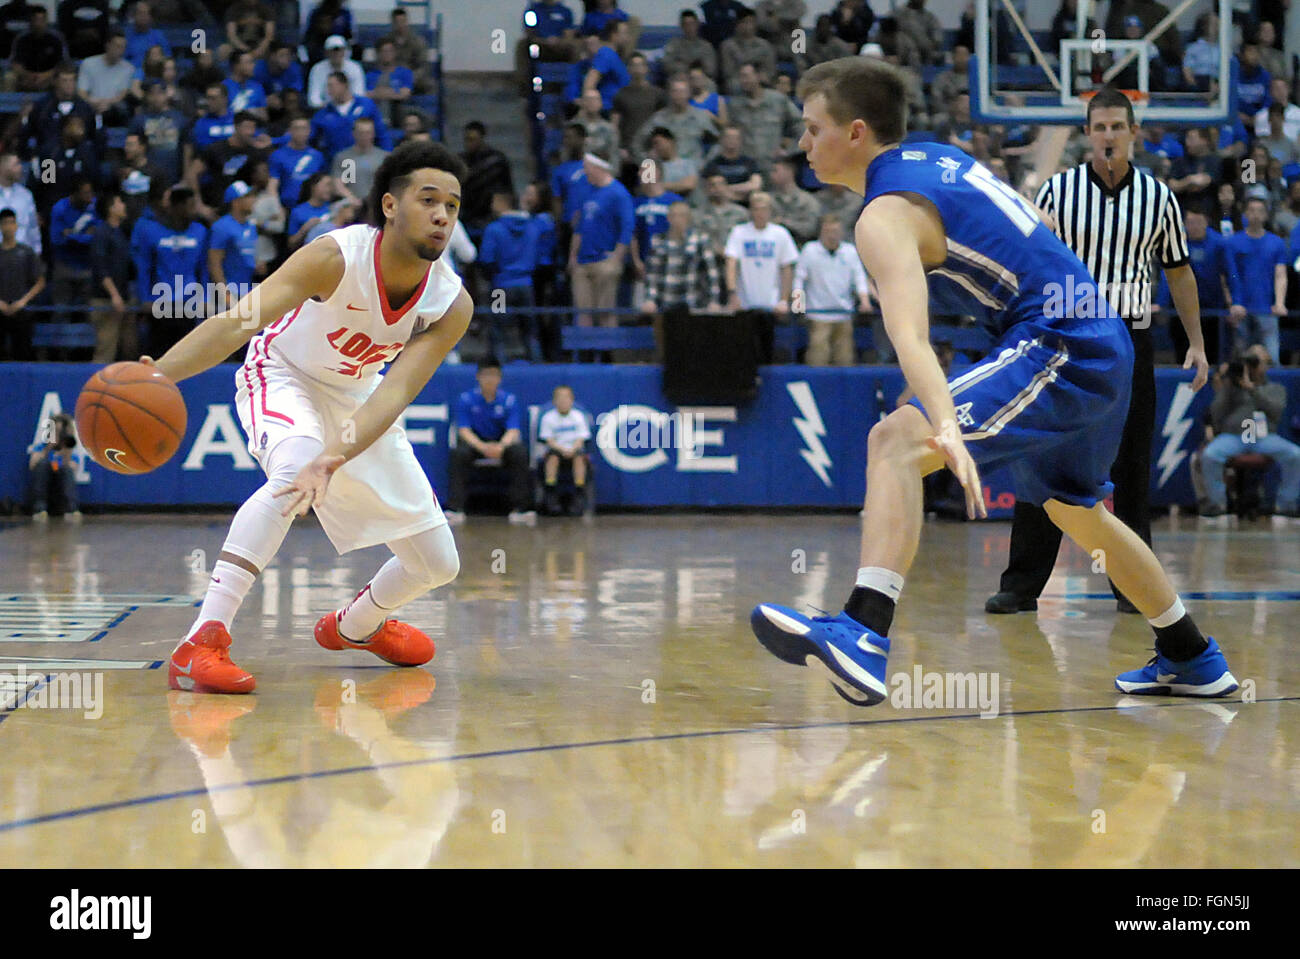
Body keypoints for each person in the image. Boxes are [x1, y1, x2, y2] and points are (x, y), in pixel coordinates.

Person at [750, 57, 1237, 705]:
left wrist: (943, 424)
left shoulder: (881, 215)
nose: (803, 144)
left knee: (894, 440)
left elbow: (911, 336)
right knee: (1077, 512)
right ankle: (1191, 654)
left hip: (1061, 338)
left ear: (857, 132)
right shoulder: (933, 157)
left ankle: (864, 629)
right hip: (1097, 332)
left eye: (813, 129)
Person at [141, 139, 472, 694]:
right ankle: (200, 641)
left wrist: (335, 454)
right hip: (283, 371)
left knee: (438, 563)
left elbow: (393, 396)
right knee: (295, 478)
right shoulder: (333, 257)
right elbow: (236, 323)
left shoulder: (450, 304)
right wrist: (159, 376)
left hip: (358, 396)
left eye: (453, 206)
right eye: (429, 199)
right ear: (390, 205)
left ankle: (356, 627)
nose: (442, 215)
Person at [986, 86, 1209, 617]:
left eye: (1118, 127)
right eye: (1100, 127)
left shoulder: (1159, 197)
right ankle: (1021, 585)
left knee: (1131, 468)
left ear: (1134, 133)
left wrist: (1197, 342)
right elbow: (1031, 266)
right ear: (1087, 135)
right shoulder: (1058, 192)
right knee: (1043, 457)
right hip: (1068, 337)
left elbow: (1179, 272)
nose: (1109, 135)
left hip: (1131, 341)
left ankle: (1133, 587)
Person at [1198, 345, 1300, 518]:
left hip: (1264, 438)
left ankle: (1286, 505)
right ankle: (1218, 505)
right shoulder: (1231, 388)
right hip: (1234, 437)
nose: (1251, 366)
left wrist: (1252, 389)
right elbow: (1216, 414)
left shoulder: (1275, 388)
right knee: (1210, 455)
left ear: (1265, 365)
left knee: (1295, 455)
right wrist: (1226, 385)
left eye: (1256, 361)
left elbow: (1275, 412)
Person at [445, 359, 534, 526]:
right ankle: (456, 509)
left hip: (501, 443)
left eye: (494, 375)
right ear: (478, 377)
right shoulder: (466, 400)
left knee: (520, 453)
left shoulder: (509, 400)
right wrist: (483, 447)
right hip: (476, 443)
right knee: (458, 454)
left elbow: (513, 430)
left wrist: (501, 446)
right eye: (486, 375)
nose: (490, 380)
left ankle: (520, 509)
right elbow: (464, 430)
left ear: (500, 378)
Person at [724, 192, 798, 362]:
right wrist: (732, 293)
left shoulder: (780, 234)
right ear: (751, 211)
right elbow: (731, 263)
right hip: (745, 302)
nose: (760, 213)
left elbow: (787, 268)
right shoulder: (739, 232)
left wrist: (784, 299)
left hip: (771, 304)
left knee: (767, 350)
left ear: (770, 211)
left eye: (764, 209)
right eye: (756, 209)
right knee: (743, 351)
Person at [793, 213, 870, 366]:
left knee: (845, 358)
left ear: (841, 232)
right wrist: (798, 303)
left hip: (844, 313)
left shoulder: (849, 251)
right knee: (818, 356)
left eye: (835, 231)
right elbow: (799, 278)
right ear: (821, 232)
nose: (831, 235)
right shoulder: (810, 250)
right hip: (818, 314)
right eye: (828, 231)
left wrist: (865, 301)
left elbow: (859, 279)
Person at [568, 151, 632, 330]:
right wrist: (572, 256)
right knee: (582, 313)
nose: (585, 171)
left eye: (587, 167)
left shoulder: (618, 193)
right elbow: (580, 227)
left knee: (606, 312)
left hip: (605, 260)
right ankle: (585, 356)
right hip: (583, 262)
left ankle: (610, 356)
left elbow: (627, 228)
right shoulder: (587, 192)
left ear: (598, 168)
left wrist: (616, 258)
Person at [478, 190, 540, 361]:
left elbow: (486, 258)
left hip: (501, 287)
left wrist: (493, 275)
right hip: (526, 286)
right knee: (529, 329)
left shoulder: (494, 229)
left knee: (498, 327)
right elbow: (538, 255)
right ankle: (536, 363)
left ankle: (498, 364)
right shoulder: (532, 227)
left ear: (502, 203)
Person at [1225, 195, 1288, 364]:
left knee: (1272, 358)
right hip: (1241, 309)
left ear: (1266, 215)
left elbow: (1280, 274)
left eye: (1260, 211)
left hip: (1267, 309)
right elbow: (1230, 275)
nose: (1256, 215)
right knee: (1240, 360)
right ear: (1245, 214)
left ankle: (1273, 389)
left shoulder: (1277, 243)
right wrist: (1233, 303)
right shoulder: (1233, 243)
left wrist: (1280, 302)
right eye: (1251, 210)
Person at [88, 191, 134, 363]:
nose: (124, 205)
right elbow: (101, 268)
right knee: (106, 348)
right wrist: (114, 295)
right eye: (119, 202)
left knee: (129, 347)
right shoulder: (101, 234)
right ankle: (96, 388)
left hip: (124, 298)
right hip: (105, 300)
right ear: (110, 209)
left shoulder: (121, 233)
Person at [538, 384, 591, 516]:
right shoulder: (548, 417)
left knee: (579, 458)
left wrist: (573, 449)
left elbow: (581, 438)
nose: (563, 401)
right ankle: (551, 492)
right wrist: (562, 449)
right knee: (552, 458)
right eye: (559, 398)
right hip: (556, 449)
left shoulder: (578, 416)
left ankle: (579, 492)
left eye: (566, 398)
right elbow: (549, 440)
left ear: (572, 400)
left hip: (575, 449)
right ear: (554, 401)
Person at [0, 206, 44, 361]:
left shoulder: (26, 252)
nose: (8, 227)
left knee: (23, 353)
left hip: (22, 311)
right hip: (0, 310)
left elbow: (39, 281)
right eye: (5, 223)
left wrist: (22, 301)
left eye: (11, 223)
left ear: (16, 226)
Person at [26, 413, 82, 522]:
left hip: (60, 492)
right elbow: (32, 465)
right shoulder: (41, 447)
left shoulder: (70, 452)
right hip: (44, 489)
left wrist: (66, 451)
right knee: (42, 464)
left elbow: (72, 470)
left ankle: (71, 509)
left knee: (66, 470)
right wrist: (49, 447)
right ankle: (39, 509)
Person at [307, 34, 366, 109]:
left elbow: (359, 94)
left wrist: (345, 107)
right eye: (332, 50)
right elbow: (313, 98)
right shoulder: (317, 69)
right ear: (326, 52)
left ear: (344, 51)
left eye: (339, 50)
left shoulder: (355, 68)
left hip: (350, 109)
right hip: (325, 110)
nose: (336, 53)